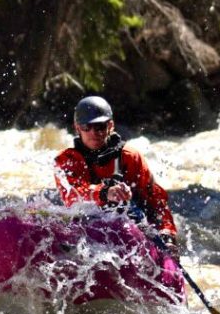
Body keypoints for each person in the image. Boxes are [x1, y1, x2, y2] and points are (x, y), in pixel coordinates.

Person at [53, 95, 179, 251]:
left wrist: (167, 234)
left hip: (130, 224)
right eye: (87, 127)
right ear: (78, 128)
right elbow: (72, 195)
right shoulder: (66, 160)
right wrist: (105, 192)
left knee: (136, 212)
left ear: (110, 126)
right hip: (86, 227)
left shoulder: (129, 157)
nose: (93, 132)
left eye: (100, 126)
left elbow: (156, 200)